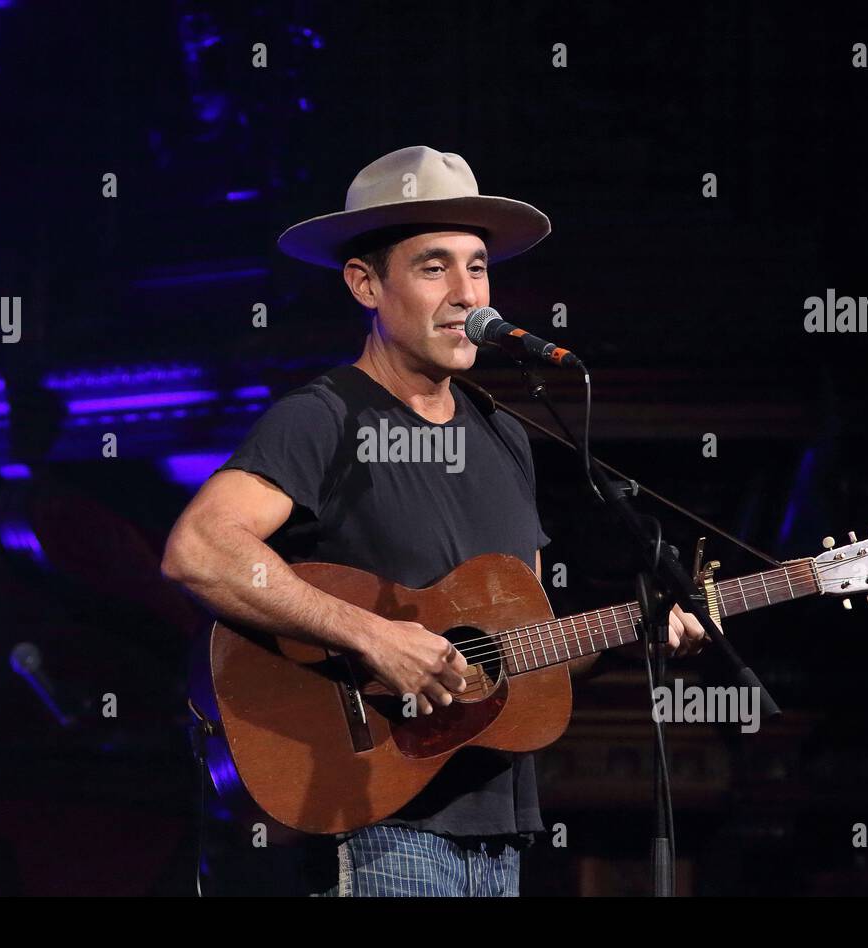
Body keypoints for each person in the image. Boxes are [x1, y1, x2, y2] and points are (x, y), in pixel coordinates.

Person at [161, 146, 706, 896]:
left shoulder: (506, 434)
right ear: (365, 283)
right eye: (432, 267)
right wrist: (374, 636)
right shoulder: (322, 417)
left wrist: (631, 632)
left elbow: (521, 646)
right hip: (376, 823)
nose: (465, 293)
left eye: (477, 266)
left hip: (496, 833)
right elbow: (200, 549)